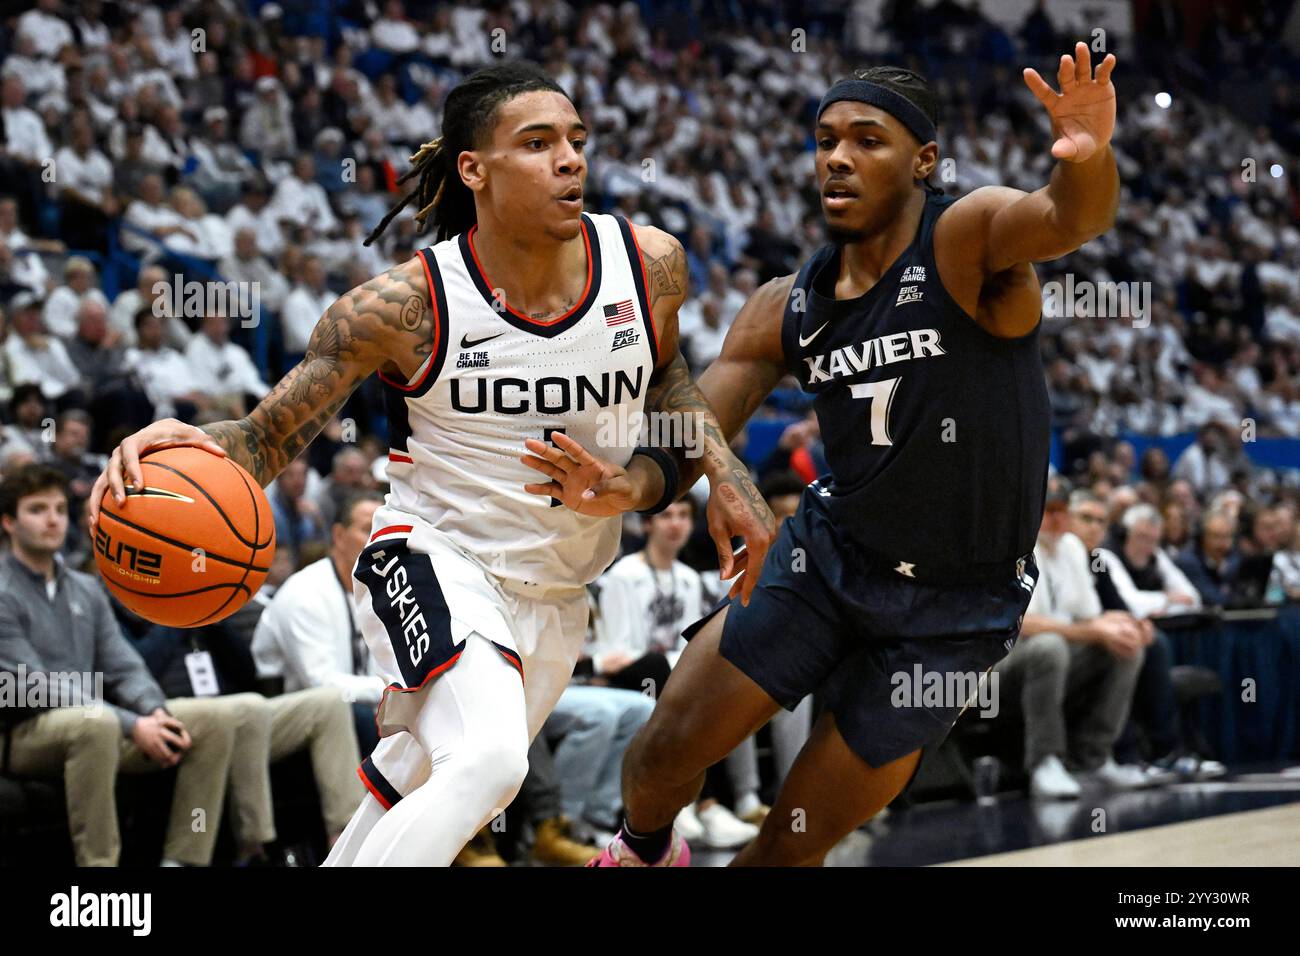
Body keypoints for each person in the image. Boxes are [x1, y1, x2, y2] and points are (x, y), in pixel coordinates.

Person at [88, 62, 774, 868]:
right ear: (473, 169)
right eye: (538, 142)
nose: (571, 160)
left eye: (577, 141)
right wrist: (183, 444)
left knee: (423, 790)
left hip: (557, 590)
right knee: (487, 762)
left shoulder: (647, 263)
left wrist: (724, 471)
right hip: (431, 553)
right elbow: (266, 439)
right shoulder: (401, 308)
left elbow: (666, 377)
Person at [547, 47, 1121, 865]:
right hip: (828, 562)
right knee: (662, 751)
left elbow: (1071, 219)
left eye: (867, 139)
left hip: (955, 615)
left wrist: (1088, 157)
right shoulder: (788, 304)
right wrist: (629, 481)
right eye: (825, 140)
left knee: (789, 845)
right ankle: (641, 852)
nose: (838, 157)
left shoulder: (964, 239)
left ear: (924, 160)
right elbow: (693, 426)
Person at [0, 465, 238, 866]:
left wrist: (154, 712)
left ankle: (182, 860)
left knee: (212, 718)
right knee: (96, 723)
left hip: (95, 722)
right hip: (21, 731)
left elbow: (123, 664)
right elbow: (34, 684)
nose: (53, 519)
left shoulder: (86, 587)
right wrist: (132, 725)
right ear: (8, 522)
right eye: (37, 509)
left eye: (59, 508)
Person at [253, 492, 386, 755]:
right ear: (338, 536)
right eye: (367, 529)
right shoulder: (305, 592)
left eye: (384, 530)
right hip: (288, 715)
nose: (378, 540)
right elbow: (322, 684)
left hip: (353, 708)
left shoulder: (379, 591)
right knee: (358, 715)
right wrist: (392, 689)